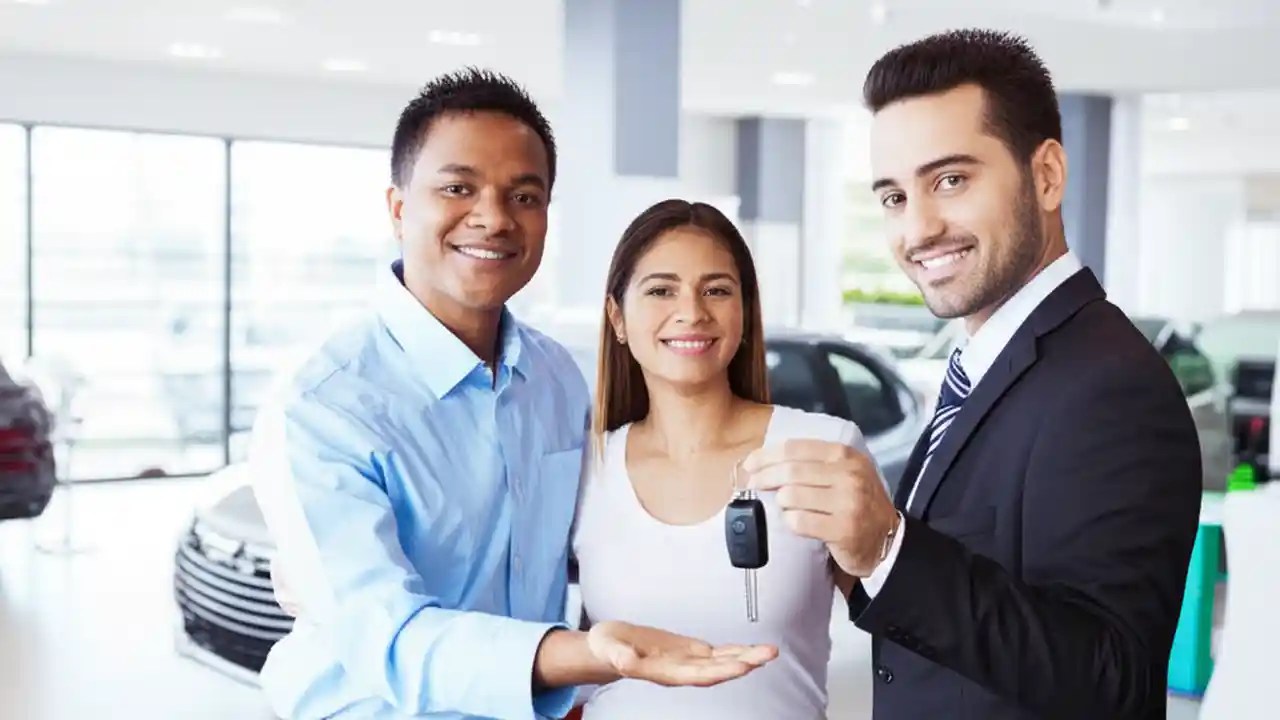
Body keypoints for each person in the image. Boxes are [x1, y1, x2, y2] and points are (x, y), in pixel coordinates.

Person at [249, 69, 776, 720]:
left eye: (524, 196)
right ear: (397, 209)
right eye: (457, 188)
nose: (494, 218)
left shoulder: (557, 380)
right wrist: (579, 654)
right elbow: (386, 638)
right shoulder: (322, 405)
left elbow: (590, 544)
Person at [743, 29, 1202, 719]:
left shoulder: (1110, 386)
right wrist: (857, 563)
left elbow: (1112, 677)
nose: (919, 228)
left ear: (1046, 176)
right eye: (894, 197)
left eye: (950, 180)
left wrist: (890, 550)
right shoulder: (985, 369)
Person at [570, 199, 880, 719]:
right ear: (617, 318)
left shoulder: (822, 451)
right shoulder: (585, 470)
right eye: (661, 290)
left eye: (716, 290)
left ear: (744, 313)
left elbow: (905, 632)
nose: (691, 311)